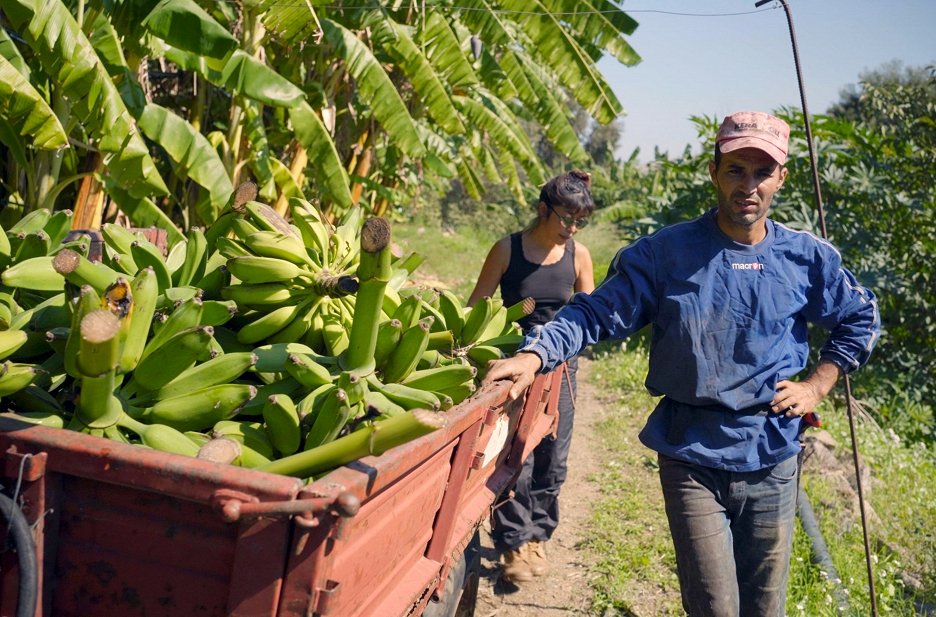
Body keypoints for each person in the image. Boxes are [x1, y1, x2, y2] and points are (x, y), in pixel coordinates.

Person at [483, 111, 880, 615]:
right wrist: (536, 352)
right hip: (690, 452)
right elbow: (594, 312)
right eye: (736, 169)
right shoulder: (665, 253)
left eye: (762, 172)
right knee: (714, 604)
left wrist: (818, 386)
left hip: (772, 452)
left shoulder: (806, 257)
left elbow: (860, 316)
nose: (748, 186)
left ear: (782, 178)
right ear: (714, 172)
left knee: (765, 605)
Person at [467, 170, 595, 584]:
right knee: (511, 456)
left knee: (552, 458)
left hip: (560, 367)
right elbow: (477, 307)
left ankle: (538, 534)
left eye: (579, 222)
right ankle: (513, 541)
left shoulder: (579, 255)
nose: (572, 228)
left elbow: (589, 312)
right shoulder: (508, 249)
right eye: (566, 219)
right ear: (543, 209)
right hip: (512, 365)